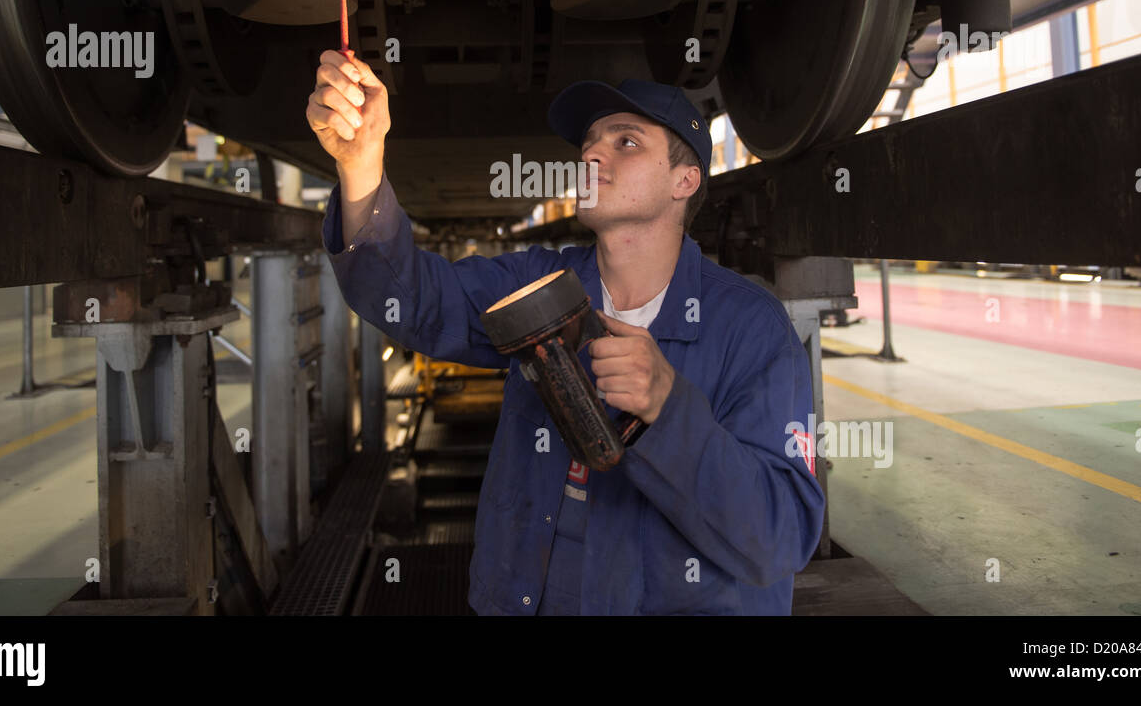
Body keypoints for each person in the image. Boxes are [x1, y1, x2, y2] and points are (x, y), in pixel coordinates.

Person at [307, 48, 825, 615]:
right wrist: (361, 166)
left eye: (625, 142)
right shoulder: (540, 284)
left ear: (685, 180)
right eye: (589, 144)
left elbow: (780, 537)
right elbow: (413, 299)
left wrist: (669, 408)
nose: (593, 154)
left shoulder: (751, 327)